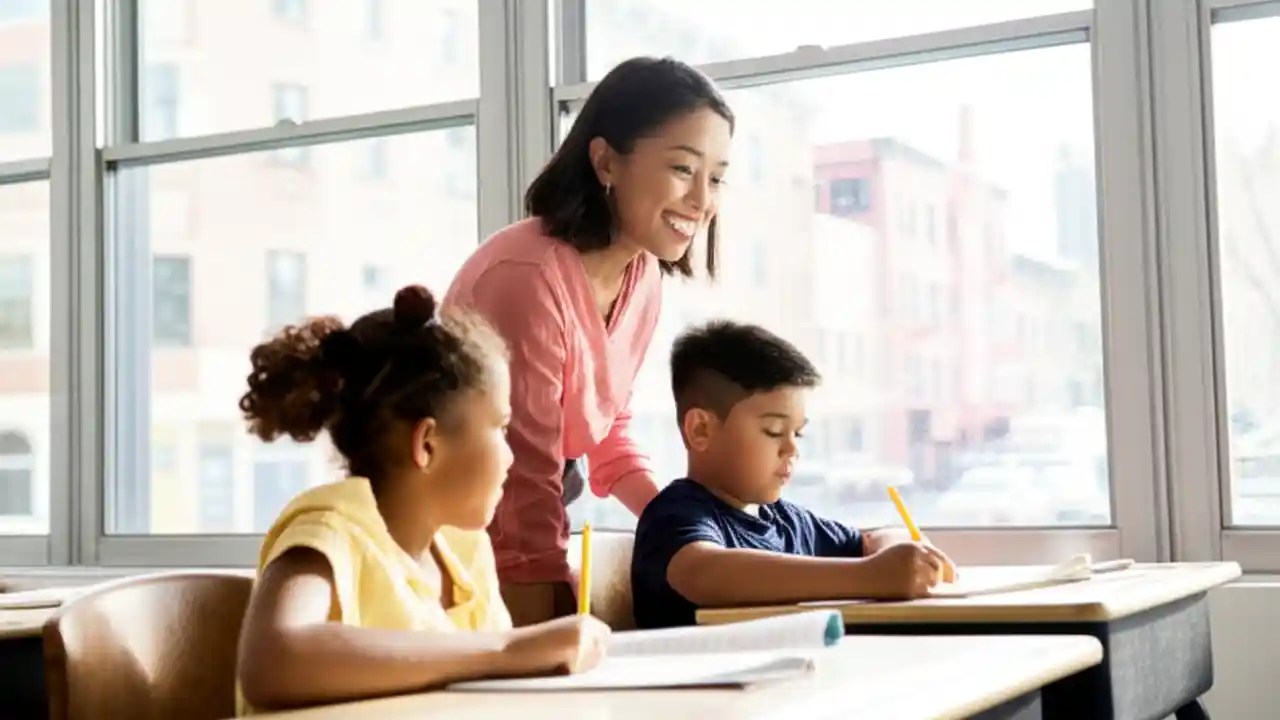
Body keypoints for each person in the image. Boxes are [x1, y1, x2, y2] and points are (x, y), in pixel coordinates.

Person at [445, 56, 735, 625]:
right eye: (682, 169)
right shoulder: (526, 277)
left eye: (717, 177)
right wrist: (547, 602)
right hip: (453, 557)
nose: (703, 200)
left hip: (519, 538)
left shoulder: (641, 274)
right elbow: (522, 473)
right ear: (605, 160)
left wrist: (677, 526)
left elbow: (606, 431)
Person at [234, 285, 610, 714]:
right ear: (427, 444)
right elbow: (274, 661)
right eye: (500, 428)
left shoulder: (464, 550)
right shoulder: (330, 530)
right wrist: (504, 651)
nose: (510, 456)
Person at [630, 320, 958, 629]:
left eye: (797, 434)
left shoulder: (787, 522)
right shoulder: (675, 514)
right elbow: (702, 573)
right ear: (701, 429)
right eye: (774, 431)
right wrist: (868, 576)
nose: (791, 449)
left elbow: (872, 540)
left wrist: (903, 553)